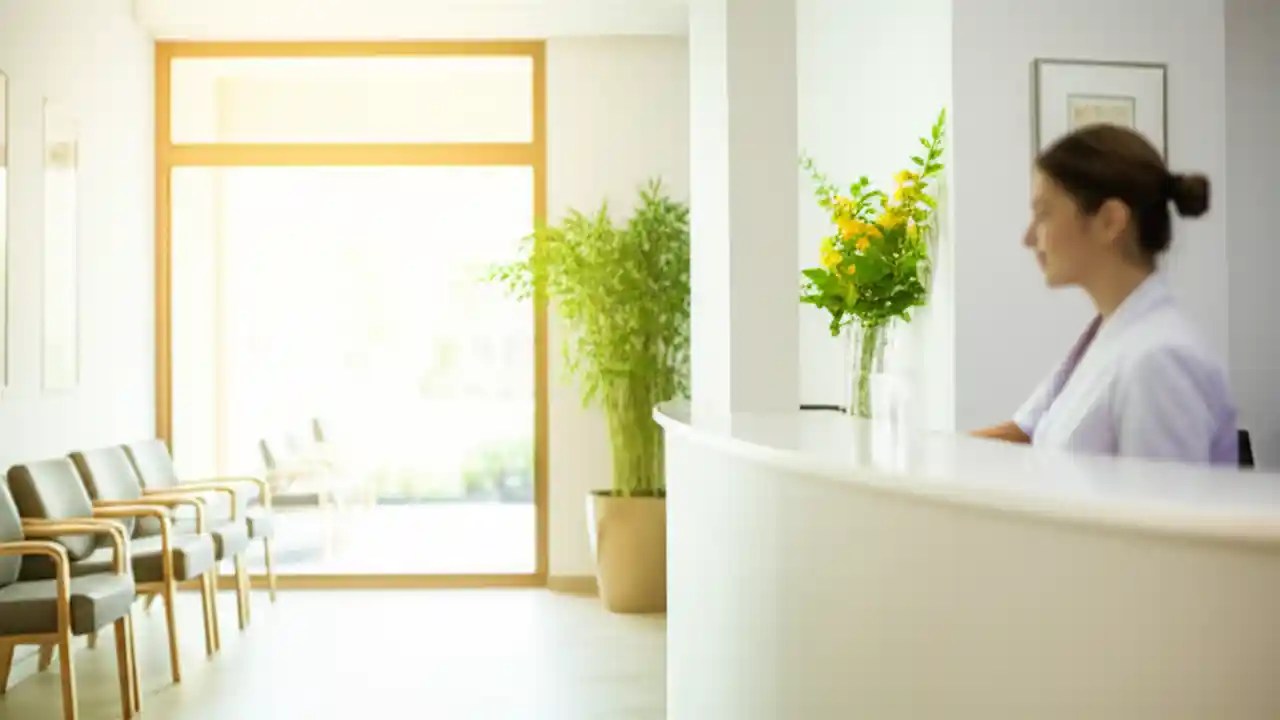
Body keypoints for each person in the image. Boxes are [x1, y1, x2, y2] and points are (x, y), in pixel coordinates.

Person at [973, 124, 1237, 465]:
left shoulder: (1158, 360)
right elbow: (1028, 431)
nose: (1028, 237)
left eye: (1043, 214)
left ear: (1110, 221)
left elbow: (1158, 513)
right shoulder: (1109, 338)